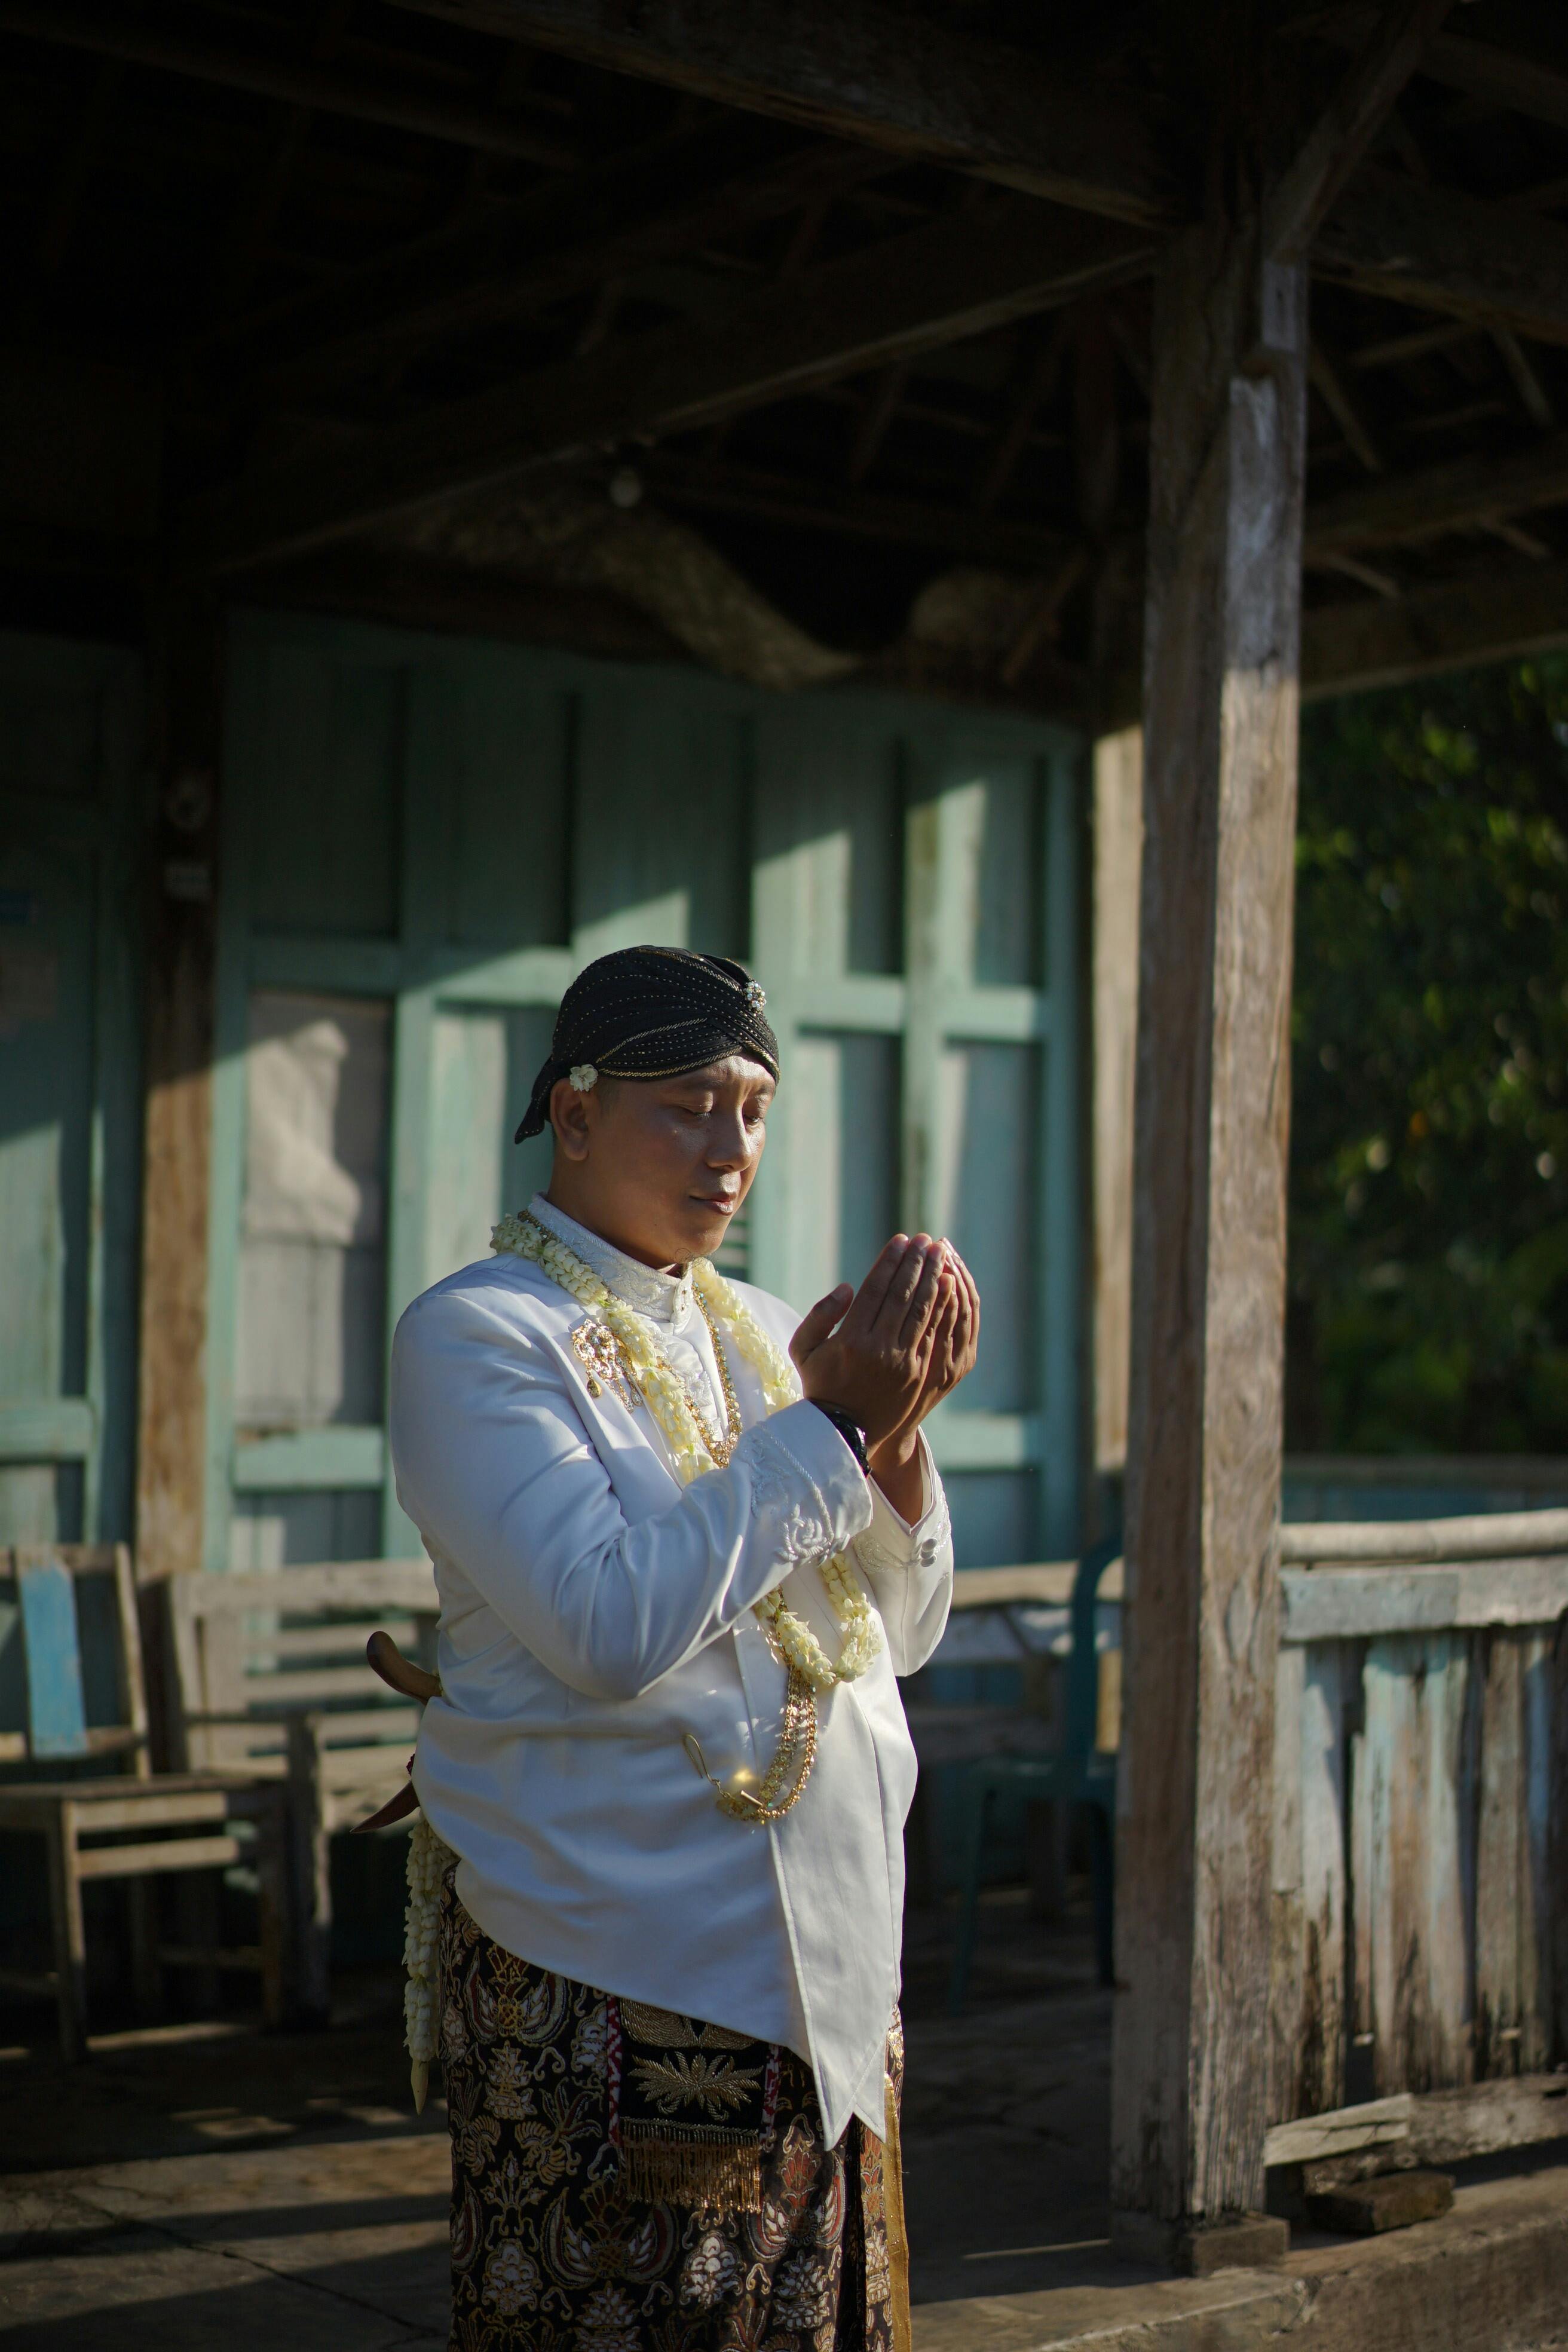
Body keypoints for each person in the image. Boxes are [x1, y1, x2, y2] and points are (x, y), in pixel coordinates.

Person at [388, 945, 978, 2352]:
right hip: (615, 1970)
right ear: (574, 1115)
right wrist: (831, 1429)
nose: (732, 1152)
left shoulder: (768, 1335)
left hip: (828, 1986)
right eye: (687, 1106)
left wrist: (888, 1444)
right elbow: (607, 1627)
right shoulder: (480, 1336)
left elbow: (898, 1632)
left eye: (756, 1109)